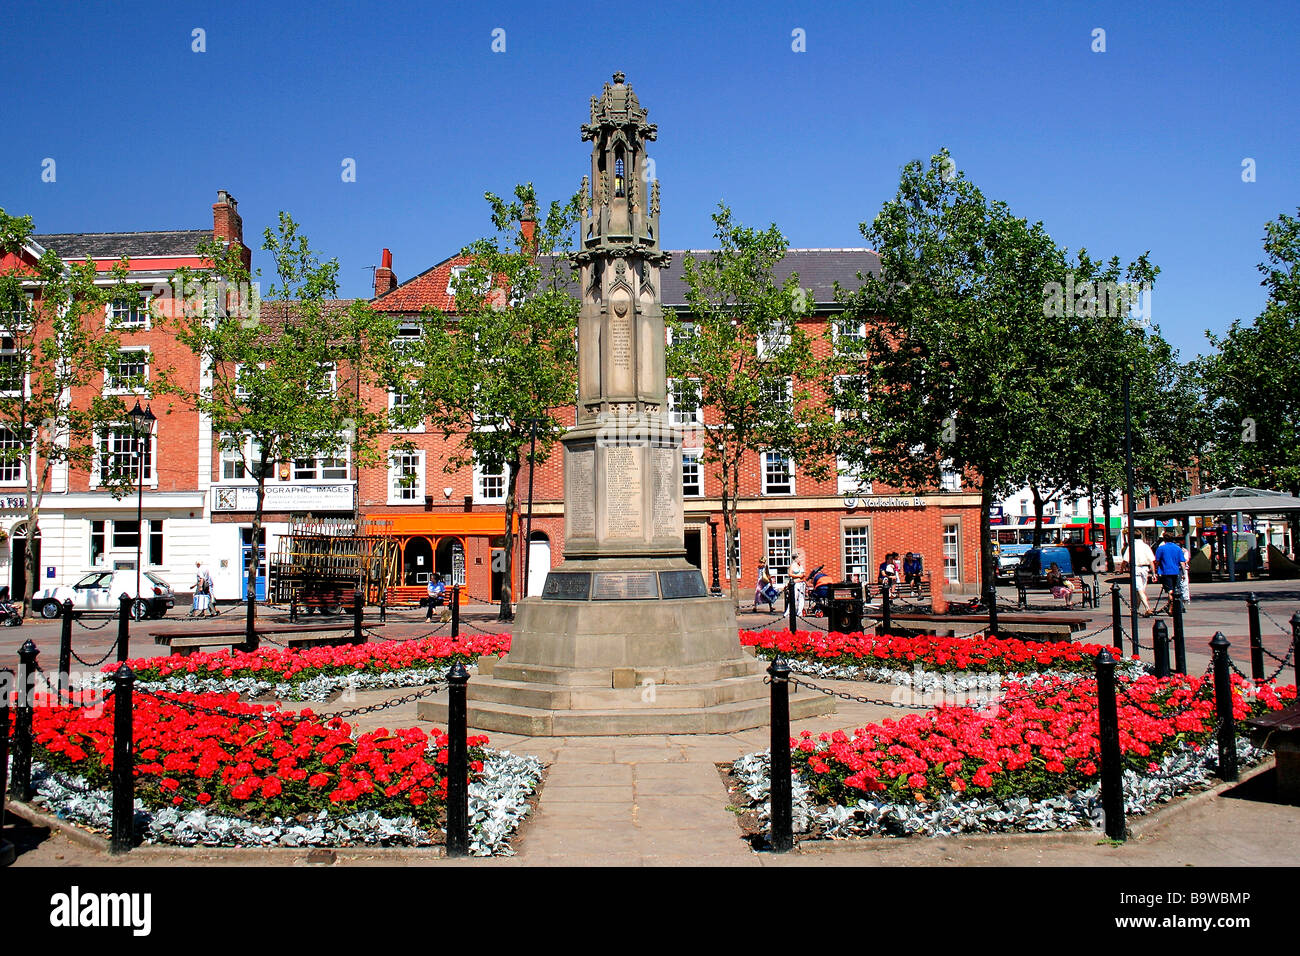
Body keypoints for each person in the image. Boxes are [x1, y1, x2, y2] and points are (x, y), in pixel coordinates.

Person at [1117, 533, 1156, 616]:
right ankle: (1136, 610)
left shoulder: (1131, 546)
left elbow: (1125, 560)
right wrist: (1153, 573)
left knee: (1140, 590)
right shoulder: (1146, 546)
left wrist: (1121, 570)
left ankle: (1147, 608)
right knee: (1140, 590)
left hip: (1136, 568)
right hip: (1145, 569)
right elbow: (1151, 561)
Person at [1154, 531, 1186, 615]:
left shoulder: (1161, 548)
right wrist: (1184, 573)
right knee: (1176, 590)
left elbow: (1157, 561)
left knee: (1170, 591)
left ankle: (1171, 608)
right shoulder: (1177, 548)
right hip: (1176, 571)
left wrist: (1156, 571)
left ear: (1164, 539)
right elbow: (1182, 562)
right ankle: (1176, 606)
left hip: (1165, 572)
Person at [788, 550, 807, 617]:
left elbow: (803, 573)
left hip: (802, 583)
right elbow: (790, 574)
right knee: (794, 597)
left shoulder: (801, 566)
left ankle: (800, 612)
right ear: (795, 558)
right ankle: (789, 611)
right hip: (795, 583)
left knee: (801, 598)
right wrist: (798, 576)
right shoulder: (793, 565)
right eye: (798, 558)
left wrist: (803, 576)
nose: (800, 559)